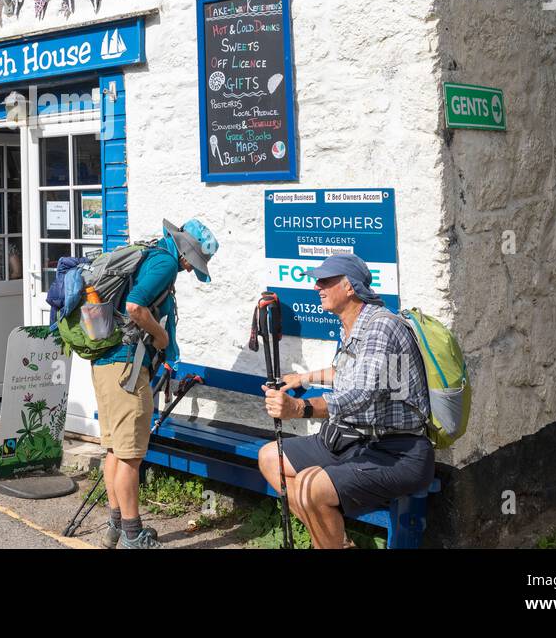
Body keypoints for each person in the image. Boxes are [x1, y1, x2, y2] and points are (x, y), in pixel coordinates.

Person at [256, 253, 433, 549]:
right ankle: (336, 541)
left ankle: (328, 542)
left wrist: (300, 408)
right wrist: (304, 378)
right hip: (352, 441)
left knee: (311, 485)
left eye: (325, 281)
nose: (316, 287)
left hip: (397, 450)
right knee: (269, 458)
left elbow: (363, 395)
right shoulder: (352, 326)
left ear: (349, 287)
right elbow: (347, 373)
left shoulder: (382, 328)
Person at [91, 217, 217, 549]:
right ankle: (133, 537)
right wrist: (161, 339)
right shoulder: (164, 263)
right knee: (131, 455)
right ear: (186, 251)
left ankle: (115, 528)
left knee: (115, 450)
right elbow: (135, 306)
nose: (192, 270)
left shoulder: (152, 252)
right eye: (195, 263)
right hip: (127, 369)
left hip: (107, 364)